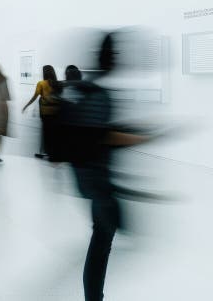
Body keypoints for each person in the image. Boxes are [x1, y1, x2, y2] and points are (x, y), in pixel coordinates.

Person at [50, 36, 151, 301]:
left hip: (88, 175)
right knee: (102, 239)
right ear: (113, 58)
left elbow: (96, 132)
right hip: (96, 179)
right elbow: (103, 136)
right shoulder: (99, 93)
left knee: (103, 236)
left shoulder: (86, 87)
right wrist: (142, 138)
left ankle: (94, 296)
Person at [22, 65, 60, 159]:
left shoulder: (41, 83)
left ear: (44, 73)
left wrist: (26, 106)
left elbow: (35, 97)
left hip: (45, 112)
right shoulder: (57, 84)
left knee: (45, 132)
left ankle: (44, 152)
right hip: (56, 111)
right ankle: (52, 153)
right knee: (53, 132)